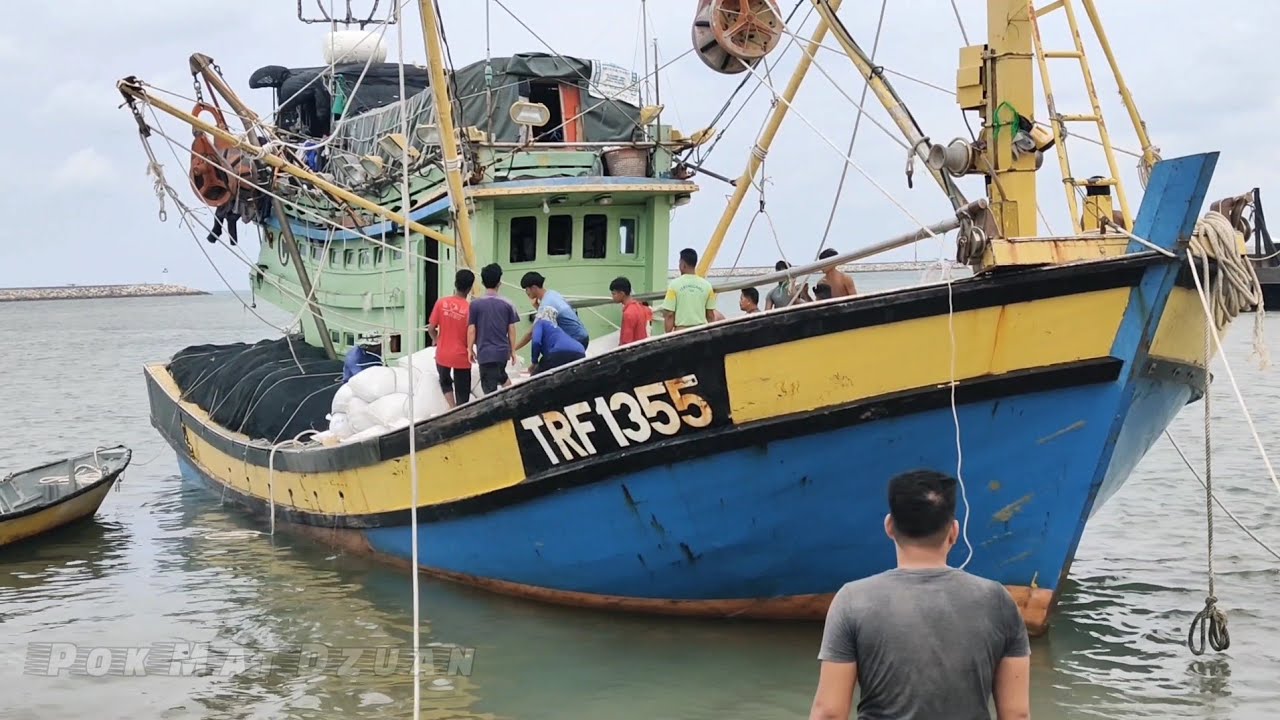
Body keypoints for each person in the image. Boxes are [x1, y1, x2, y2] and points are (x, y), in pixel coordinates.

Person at [809, 470, 1031, 720]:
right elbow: (1017, 714)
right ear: (954, 531)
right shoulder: (998, 601)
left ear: (889, 526)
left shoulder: (852, 600)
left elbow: (829, 713)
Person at [467, 263, 519, 394]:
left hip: (485, 353)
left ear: (483, 282)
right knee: (500, 374)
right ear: (499, 282)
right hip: (502, 352)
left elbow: (472, 329)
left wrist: (469, 349)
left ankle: (502, 411)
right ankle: (513, 394)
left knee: (489, 391)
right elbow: (511, 329)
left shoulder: (475, 305)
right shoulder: (508, 304)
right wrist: (512, 351)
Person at [428, 269, 474, 407]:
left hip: (443, 354)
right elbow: (471, 334)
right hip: (462, 356)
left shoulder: (441, 303)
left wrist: (436, 339)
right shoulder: (470, 308)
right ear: (470, 288)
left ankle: (452, 407)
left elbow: (431, 328)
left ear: (455, 283)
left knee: (445, 382)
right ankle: (460, 410)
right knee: (463, 392)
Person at [515, 271, 590, 351]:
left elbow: (531, 333)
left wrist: (513, 349)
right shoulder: (553, 294)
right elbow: (554, 315)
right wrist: (537, 307)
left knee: (545, 361)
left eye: (527, 289)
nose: (526, 293)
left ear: (533, 288)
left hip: (575, 341)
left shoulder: (546, 305)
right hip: (582, 336)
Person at [661, 247, 717, 333]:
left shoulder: (674, 285)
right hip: (701, 331)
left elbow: (669, 314)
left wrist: (668, 333)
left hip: (681, 332)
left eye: (679, 263)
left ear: (683, 265)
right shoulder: (707, 286)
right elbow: (710, 315)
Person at [529, 305, 586, 374]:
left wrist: (534, 362)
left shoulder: (540, 323)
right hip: (580, 350)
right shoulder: (557, 328)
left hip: (558, 351)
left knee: (536, 376)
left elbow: (536, 342)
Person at [611, 276, 653, 345]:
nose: (612, 297)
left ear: (622, 294)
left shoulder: (628, 313)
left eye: (614, 294)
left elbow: (626, 342)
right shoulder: (640, 307)